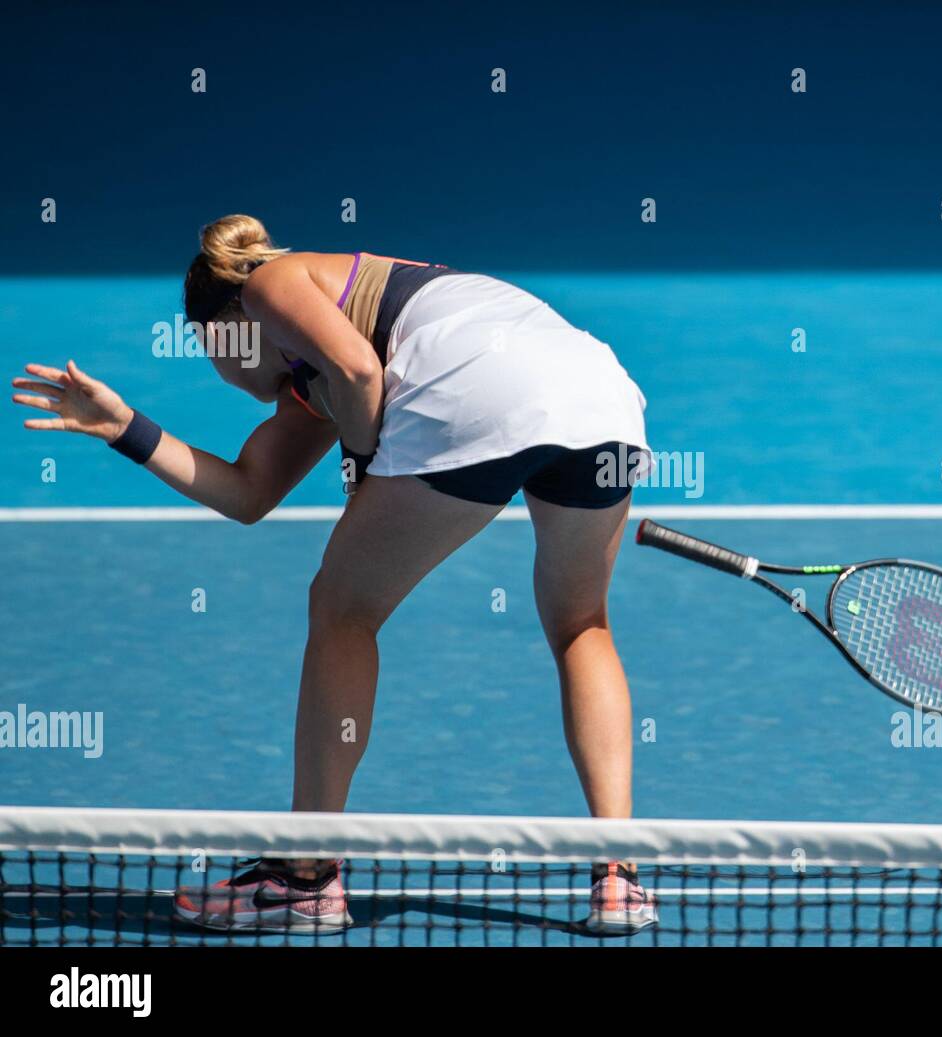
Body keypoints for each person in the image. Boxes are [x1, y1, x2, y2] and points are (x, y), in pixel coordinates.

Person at [12, 215, 658, 936]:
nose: (220, 371)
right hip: (601, 396)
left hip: (477, 386)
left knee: (341, 607)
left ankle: (305, 875)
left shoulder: (267, 283)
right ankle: (618, 875)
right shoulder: (313, 374)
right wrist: (124, 426)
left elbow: (359, 373)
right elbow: (249, 493)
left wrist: (362, 468)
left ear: (229, 323)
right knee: (581, 623)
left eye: (210, 349)